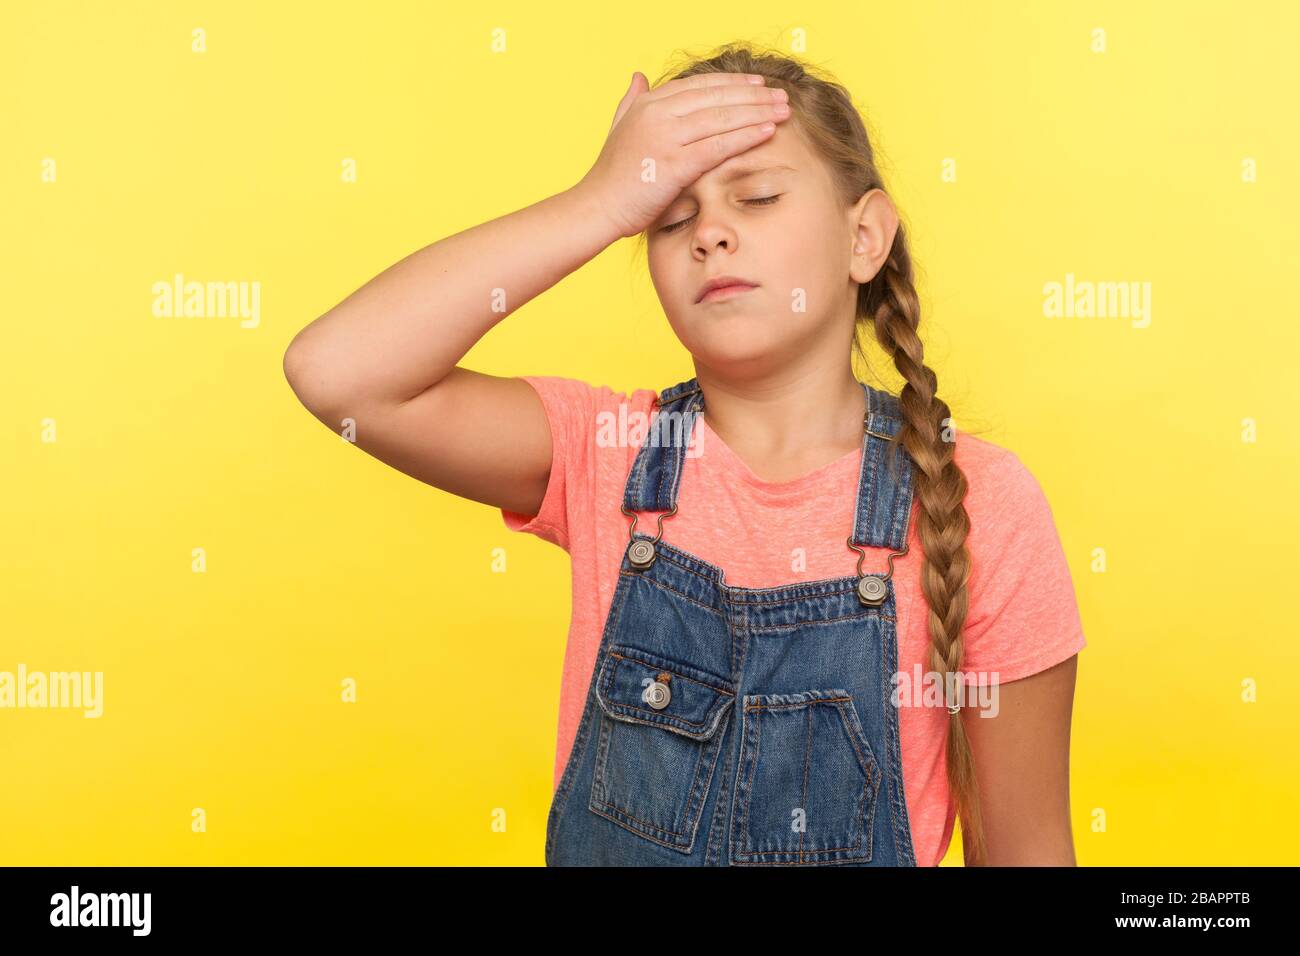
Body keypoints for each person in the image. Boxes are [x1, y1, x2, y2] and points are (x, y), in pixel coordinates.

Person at [283, 42, 1086, 866]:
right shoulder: (609, 455)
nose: (710, 235)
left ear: (865, 237)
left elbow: (1027, 853)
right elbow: (336, 374)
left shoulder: (980, 503)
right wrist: (597, 203)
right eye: (670, 217)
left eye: (759, 196)